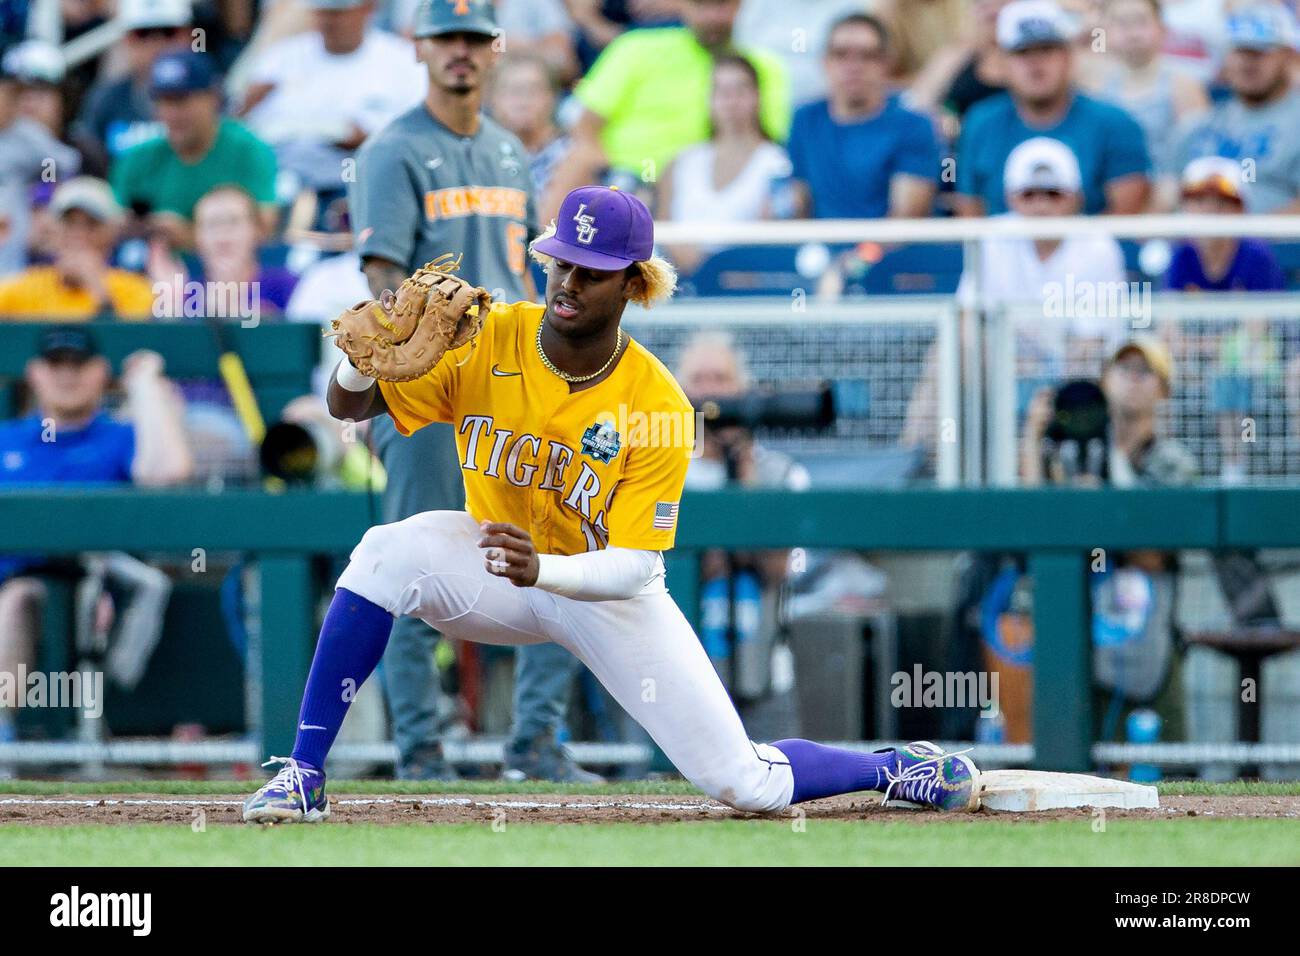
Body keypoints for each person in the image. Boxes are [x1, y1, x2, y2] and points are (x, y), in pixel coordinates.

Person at [241, 183, 982, 824]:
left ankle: (889, 767)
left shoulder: (657, 401)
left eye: (591, 271)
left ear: (632, 283)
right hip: (494, 560)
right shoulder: (490, 335)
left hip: (599, 587)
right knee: (383, 552)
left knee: (745, 783)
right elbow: (348, 408)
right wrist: (360, 353)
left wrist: (548, 574)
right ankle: (304, 772)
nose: (567, 280)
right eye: (562, 259)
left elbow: (633, 565)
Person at [350, 0, 596, 783]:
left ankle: (536, 744)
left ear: (494, 51)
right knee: (412, 569)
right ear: (420, 49)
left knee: (556, 555)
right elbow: (384, 278)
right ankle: (421, 753)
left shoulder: (505, 150)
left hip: (514, 385)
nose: (458, 53)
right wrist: (417, 347)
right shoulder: (394, 150)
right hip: (428, 390)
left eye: (472, 39)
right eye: (443, 39)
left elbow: (526, 269)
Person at [0, 327, 193, 757]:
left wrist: (144, 384)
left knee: (18, 601)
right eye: (56, 365)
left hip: (98, 579)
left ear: (100, 372)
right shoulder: (6, 440)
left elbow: (167, 472)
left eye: (79, 365)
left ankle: (5, 733)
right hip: (12, 571)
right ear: (34, 373)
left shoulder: (119, 436)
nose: (67, 376)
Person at [542, 0, 789, 221]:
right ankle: (537, 261)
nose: (713, 16)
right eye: (701, 5)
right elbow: (585, 125)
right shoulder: (636, 48)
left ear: (740, 6)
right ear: (683, 5)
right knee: (578, 161)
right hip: (624, 181)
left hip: (711, 188)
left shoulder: (762, 66)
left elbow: (769, 143)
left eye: (722, 5)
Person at [955, 0, 1152, 216]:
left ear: (1068, 57)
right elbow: (970, 219)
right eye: (1022, 52)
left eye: (1047, 49)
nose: (1035, 63)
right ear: (1002, 63)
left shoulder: (1116, 124)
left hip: (1093, 249)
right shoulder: (980, 123)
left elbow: (1125, 223)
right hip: (1000, 248)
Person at [237, 0, 425, 190]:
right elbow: (240, 125)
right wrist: (247, 103)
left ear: (368, 7)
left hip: (360, 177)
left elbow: (418, 132)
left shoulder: (402, 60)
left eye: (338, 12)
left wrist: (367, 136)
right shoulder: (282, 56)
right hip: (283, 175)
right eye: (322, 12)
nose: (329, 21)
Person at [110, 50, 278, 245]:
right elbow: (110, 223)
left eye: (181, 100)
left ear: (213, 98)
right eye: (163, 101)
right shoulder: (138, 157)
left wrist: (192, 237)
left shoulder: (247, 150)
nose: (171, 113)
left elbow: (265, 231)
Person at [785, 13, 940, 219]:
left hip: (888, 251)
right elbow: (797, 206)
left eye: (867, 56)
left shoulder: (914, 125)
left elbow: (905, 220)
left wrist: (863, 253)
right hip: (818, 248)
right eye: (840, 54)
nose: (853, 66)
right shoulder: (805, 119)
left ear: (886, 63)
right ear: (825, 61)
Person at [657, 54, 791, 272]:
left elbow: (773, 237)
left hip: (743, 283)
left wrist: (716, 268)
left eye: (740, 90)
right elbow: (661, 228)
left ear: (758, 96)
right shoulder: (682, 162)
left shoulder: (778, 164)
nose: (731, 100)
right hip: (678, 283)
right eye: (721, 91)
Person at [1165, 4, 1300, 213]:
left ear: (1288, 57)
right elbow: (1165, 196)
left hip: (1275, 242)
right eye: (1240, 51)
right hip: (1192, 239)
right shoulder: (1198, 126)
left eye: (1259, 53)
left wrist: (1242, 239)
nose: (1247, 63)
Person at [1081, 0, 1210, 174]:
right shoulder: (1096, 89)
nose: (1132, 32)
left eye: (1141, 21)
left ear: (1162, 29)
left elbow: (1200, 154)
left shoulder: (1183, 86)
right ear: (1105, 32)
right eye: (1122, 23)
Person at [0, 177, 155, 321]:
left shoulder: (135, 290)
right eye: (69, 223)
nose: (78, 234)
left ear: (111, 233)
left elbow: (131, 342)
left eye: (92, 224)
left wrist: (99, 291)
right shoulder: (22, 288)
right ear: (55, 230)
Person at [72, 0, 194, 174]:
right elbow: (87, 165)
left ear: (187, 35)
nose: (156, 43)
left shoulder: (206, 94)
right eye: (142, 33)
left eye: (168, 32)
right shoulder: (105, 99)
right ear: (127, 39)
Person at [0, 53, 81, 277]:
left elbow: (60, 165)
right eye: (20, 94)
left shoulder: (78, 148)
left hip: (37, 266)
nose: (28, 102)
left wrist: (43, 201)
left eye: (41, 91)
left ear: (62, 98)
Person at [732, 0, 873, 107]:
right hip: (764, 116)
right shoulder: (756, 6)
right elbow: (742, 58)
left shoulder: (852, 5)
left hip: (828, 117)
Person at [907, 0, 1012, 123]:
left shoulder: (1030, 59)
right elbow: (916, 104)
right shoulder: (954, 56)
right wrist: (940, 121)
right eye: (982, 4)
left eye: (1001, 3)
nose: (992, 9)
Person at [488, 53, 571, 199]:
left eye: (533, 90)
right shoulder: (480, 157)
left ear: (552, 97)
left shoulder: (572, 154)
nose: (522, 102)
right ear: (491, 99)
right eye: (512, 91)